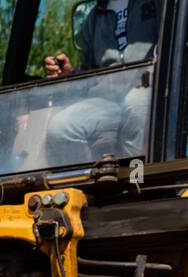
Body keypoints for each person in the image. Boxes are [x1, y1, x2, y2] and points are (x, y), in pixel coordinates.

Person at [44, 0, 160, 164]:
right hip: (108, 101)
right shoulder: (94, 17)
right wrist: (69, 74)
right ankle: (87, 184)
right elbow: (89, 74)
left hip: (150, 89)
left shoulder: (156, 3)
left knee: (136, 104)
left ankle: (136, 179)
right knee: (60, 128)